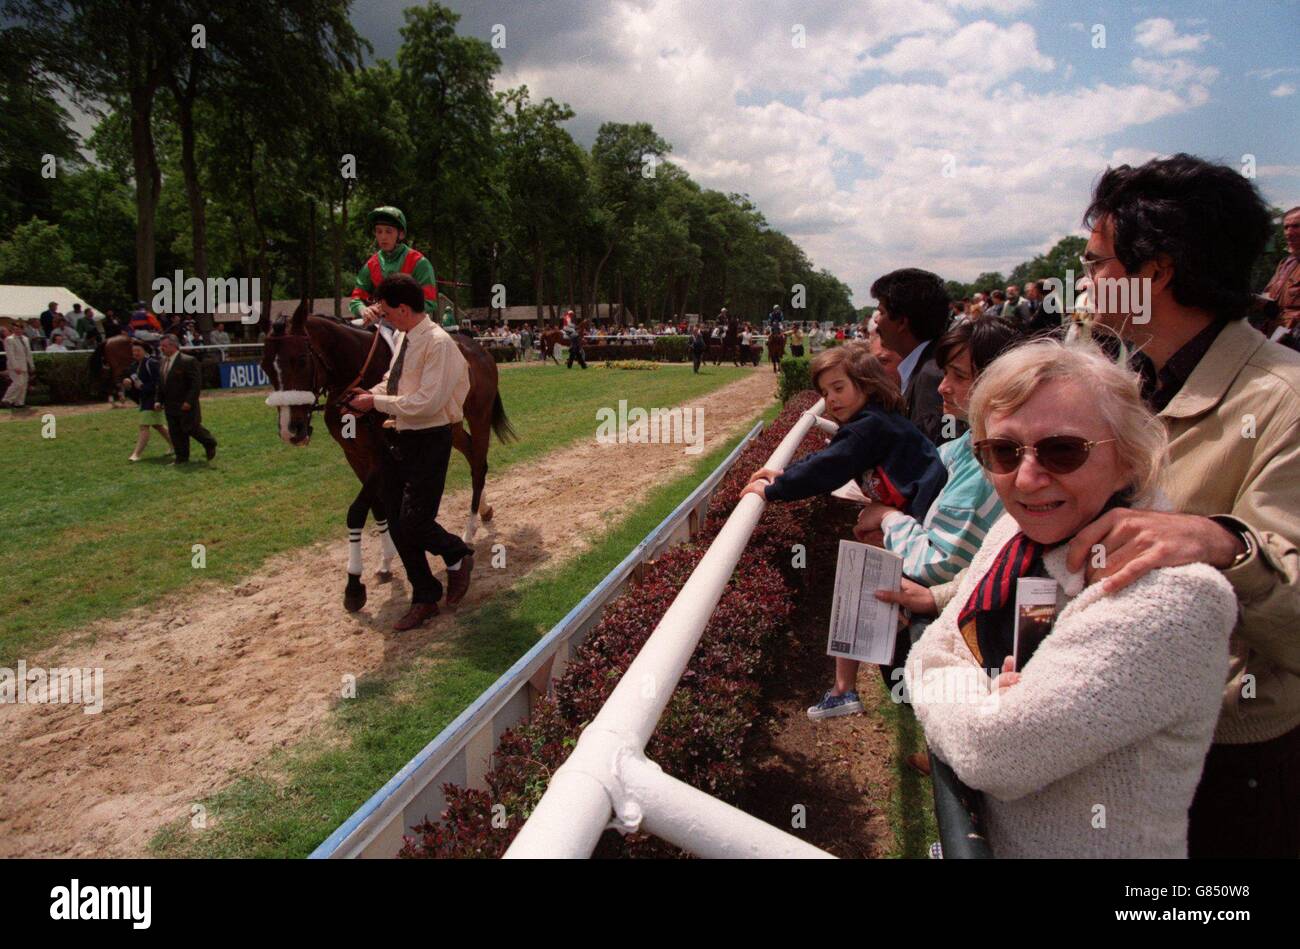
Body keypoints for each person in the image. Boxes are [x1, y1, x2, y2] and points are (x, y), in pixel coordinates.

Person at [902, 338, 1237, 857]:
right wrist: (976, 696)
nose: (1029, 479)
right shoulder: (1014, 537)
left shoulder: (1172, 596)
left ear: (1129, 458)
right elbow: (933, 651)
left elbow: (996, 753)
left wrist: (957, 685)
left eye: (1063, 450)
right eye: (1002, 452)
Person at [740, 342, 947, 720]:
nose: (830, 399)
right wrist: (785, 474)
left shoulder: (870, 426)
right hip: (908, 519)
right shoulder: (871, 421)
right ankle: (844, 690)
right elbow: (830, 457)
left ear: (866, 385)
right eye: (824, 392)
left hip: (919, 526)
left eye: (838, 388)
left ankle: (879, 698)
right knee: (858, 585)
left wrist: (772, 490)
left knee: (877, 601)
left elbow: (829, 467)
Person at [343, 273, 474, 632]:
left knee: (415, 520)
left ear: (402, 308)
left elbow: (427, 402)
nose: (381, 318)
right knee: (398, 523)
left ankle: (457, 553)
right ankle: (424, 596)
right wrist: (366, 395)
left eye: (385, 312)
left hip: (428, 438)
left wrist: (376, 402)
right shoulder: (403, 337)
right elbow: (395, 381)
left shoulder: (439, 343)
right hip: (397, 437)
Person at [871, 268, 952, 444]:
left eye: (882, 312)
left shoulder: (933, 376)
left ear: (901, 322)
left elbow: (940, 446)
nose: (876, 320)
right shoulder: (929, 365)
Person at [349, 206, 438, 330]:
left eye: (388, 231)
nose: (383, 237)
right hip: (380, 323)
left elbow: (430, 302)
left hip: (412, 327)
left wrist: (394, 310)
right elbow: (356, 299)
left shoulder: (419, 262)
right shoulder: (371, 264)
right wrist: (364, 309)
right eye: (379, 231)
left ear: (400, 234)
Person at [157, 333, 217, 464]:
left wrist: (189, 401)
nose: (161, 349)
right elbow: (162, 384)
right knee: (175, 432)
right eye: (161, 346)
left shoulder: (188, 361)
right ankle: (181, 458)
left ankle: (209, 442)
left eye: (164, 346)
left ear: (173, 346)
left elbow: (195, 384)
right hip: (170, 405)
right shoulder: (162, 362)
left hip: (185, 403)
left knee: (191, 428)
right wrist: (158, 401)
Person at [121, 340, 173, 461]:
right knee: (157, 425)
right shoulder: (133, 367)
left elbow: (159, 383)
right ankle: (175, 445)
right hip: (144, 399)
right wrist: (128, 384)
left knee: (144, 426)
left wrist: (145, 388)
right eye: (133, 351)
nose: (135, 353)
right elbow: (135, 385)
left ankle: (136, 454)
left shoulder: (152, 363)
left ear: (145, 351)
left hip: (153, 399)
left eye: (138, 350)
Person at [1263, 206, 1300, 330]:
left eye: (1296, 226)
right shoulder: (1285, 263)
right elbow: (1269, 295)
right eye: (1286, 227)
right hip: (1277, 335)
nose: (1289, 232)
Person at [2, 322, 36, 408]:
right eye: (15, 329)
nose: (17, 331)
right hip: (15, 366)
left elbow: (28, 354)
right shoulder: (9, 339)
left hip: (24, 364)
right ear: (13, 330)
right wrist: (15, 367)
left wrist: (31, 365)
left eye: (19, 329)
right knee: (18, 383)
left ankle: (19, 402)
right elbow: (10, 355)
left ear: (22, 329)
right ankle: (6, 400)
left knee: (24, 384)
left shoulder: (25, 339)